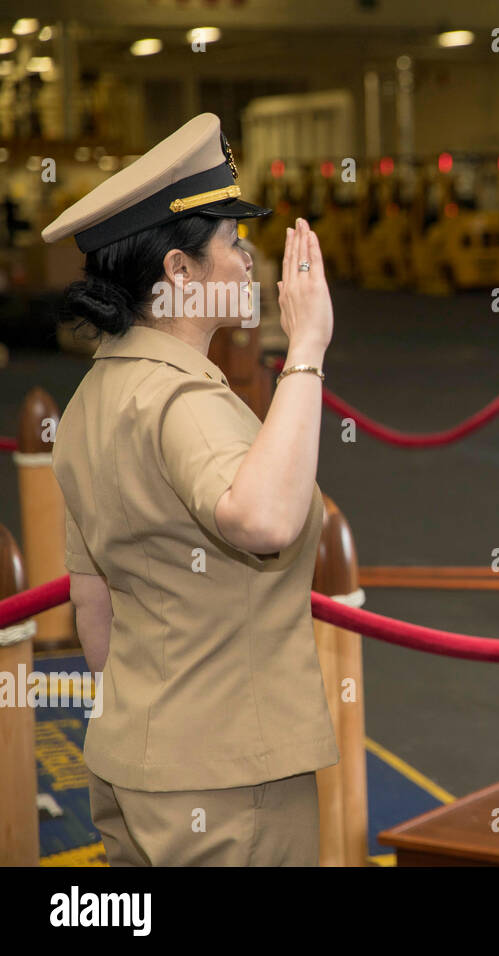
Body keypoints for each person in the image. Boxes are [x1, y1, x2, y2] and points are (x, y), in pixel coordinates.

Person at [42, 113, 340, 866]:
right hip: (230, 783)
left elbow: (95, 611)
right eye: (232, 245)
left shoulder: (89, 403)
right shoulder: (184, 402)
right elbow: (266, 518)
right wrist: (306, 350)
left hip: (134, 763)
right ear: (178, 272)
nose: (249, 264)